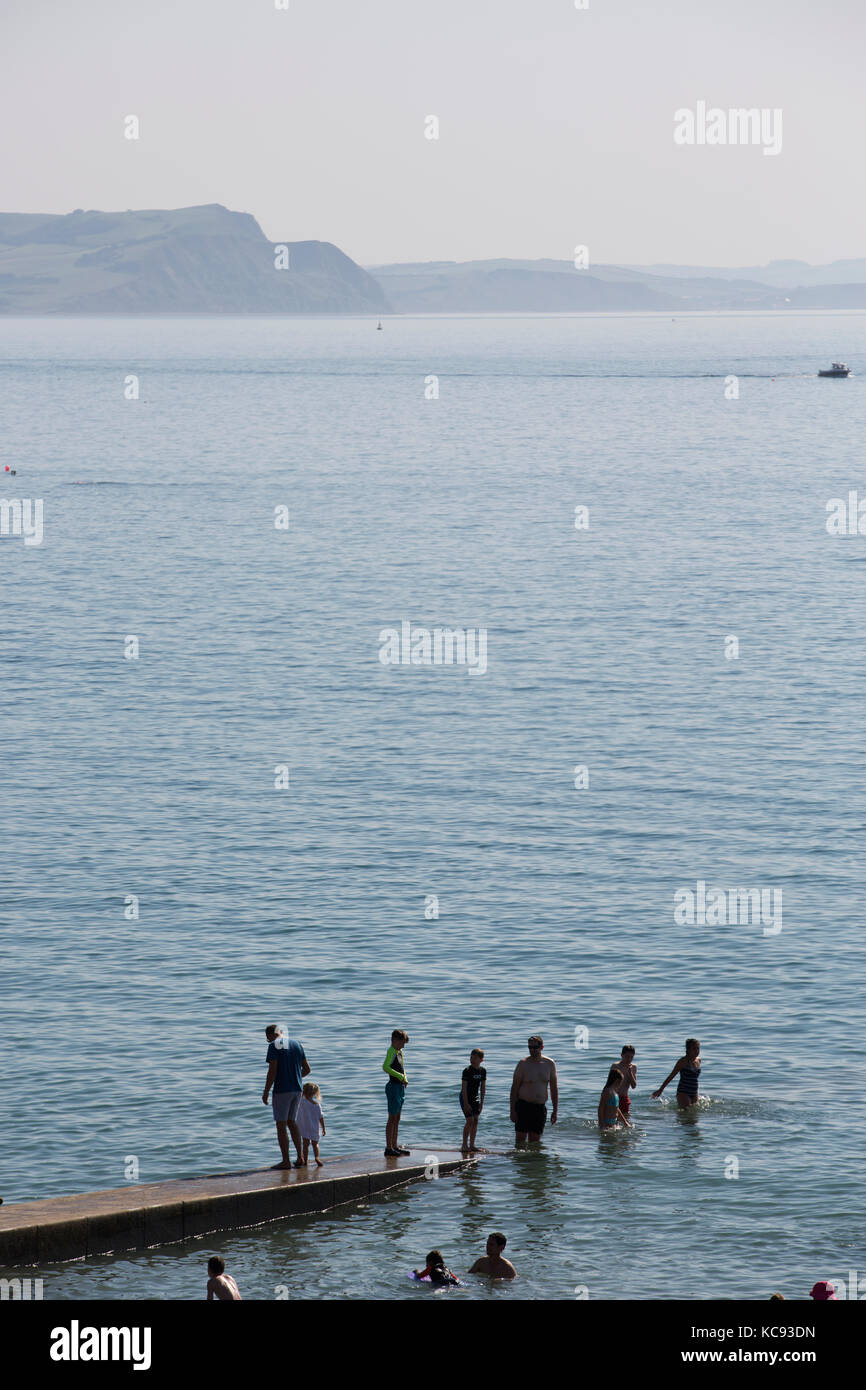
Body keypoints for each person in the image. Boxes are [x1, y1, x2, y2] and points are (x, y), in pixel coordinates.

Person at [262, 1023, 310, 1168]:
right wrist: (295, 1078)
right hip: (297, 1089)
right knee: (292, 1122)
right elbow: (307, 1069)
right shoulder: (297, 1044)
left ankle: (286, 1161)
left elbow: (272, 1071)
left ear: (271, 1035)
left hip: (282, 1090)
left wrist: (266, 1092)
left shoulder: (273, 1046)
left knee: (281, 1125)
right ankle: (300, 1157)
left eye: (268, 1038)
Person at [510, 1035, 558, 1141]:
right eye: (529, 1047)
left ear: (541, 1047)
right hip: (523, 1106)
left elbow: (554, 1089)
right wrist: (512, 1111)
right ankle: (519, 1158)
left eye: (535, 1047)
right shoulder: (523, 1064)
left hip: (539, 1108)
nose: (532, 1050)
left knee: (535, 1142)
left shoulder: (549, 1064)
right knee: (520, 1141)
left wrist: (555, 1111)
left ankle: (533, 1158)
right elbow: (514, 1089)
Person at [651, 1037, 701, 1108]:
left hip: (694, 1091)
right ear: (688, 1050)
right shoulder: (682, 1061)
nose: (696, 1051)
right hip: (683, 1092)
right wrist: (660, 1090)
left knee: (693, 1116)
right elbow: (671, 1076)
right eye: (694, 1049)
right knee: (685, 1112)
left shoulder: (698, 1060)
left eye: (698, 1048)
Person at [383, 1028, 410, 1156]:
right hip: (393, 1087)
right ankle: (389, 1148)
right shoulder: (391, 1051)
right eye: (402, 1043)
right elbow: (385, 1067)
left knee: (397, 1118)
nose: (403, 1046)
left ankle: (395, 1145)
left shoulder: (399, 1052)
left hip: (400, 1087)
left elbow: (402, 1068)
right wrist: (399, 1076)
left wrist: (405, 1078)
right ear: (394, 1040)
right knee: (392, 1117)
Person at [460, 1048, 487, 1154]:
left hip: (475, 1098)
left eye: (475, 1058)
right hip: (465, 1097)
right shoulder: (467, 1071)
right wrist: (466, 1103)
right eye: (471, 1057)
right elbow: (463, 1088)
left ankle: (472, 1145)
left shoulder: (482, 1071)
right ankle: (464, 1145)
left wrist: (482, 1103)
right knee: (469, 1120)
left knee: (475, 1120)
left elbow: (483, 1088)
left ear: (481, 1060)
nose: (472, 1059)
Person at [296, 1082, 326, 1166]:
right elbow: (321, 1118)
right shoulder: (317, 1105)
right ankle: (317, 1157)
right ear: (315, 1093)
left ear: (304, 1092)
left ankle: (305, 1161)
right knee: (315, 1144)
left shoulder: (301, 1102)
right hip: (314, 1128)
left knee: (305, 1145)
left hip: (304, 1128)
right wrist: (323, 1128)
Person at [612, 1044, 637, 1120]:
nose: (629, 1059)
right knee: (613, 1120)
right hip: (615, 1097)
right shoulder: (615, 1066)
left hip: (625, 1098)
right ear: (622, 1055)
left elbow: (634, 1086)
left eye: (631, 1057)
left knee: (626, 1121)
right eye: (627, 1056)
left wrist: (630, 1073)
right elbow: (610, 1084)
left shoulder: (633, 1067)